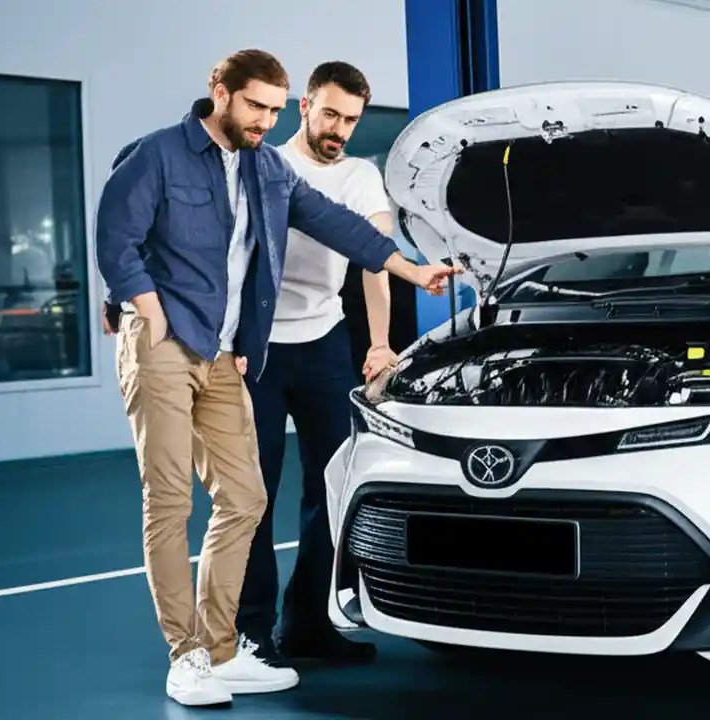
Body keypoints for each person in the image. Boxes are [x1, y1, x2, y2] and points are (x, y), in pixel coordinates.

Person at [95, 48, 458, 708]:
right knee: (169, 503)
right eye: (255, 105)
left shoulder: (266, 168)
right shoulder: (158, 154)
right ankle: (187, 655)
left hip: (224, 353)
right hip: (163, 345)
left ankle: (224, 649)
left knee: (246, 498)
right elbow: (116, 238)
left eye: (271, 108)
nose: (264, 120)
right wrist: (146, 311)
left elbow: (340, 226)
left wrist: (412, 270)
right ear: (221, 92)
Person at [228, 60, 393, 666]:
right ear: (304, 107)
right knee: (255, 492)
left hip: (325, 342)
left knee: (334, 486)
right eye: (329, 114)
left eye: (350, 120)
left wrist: (379, 343)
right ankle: (250, 630)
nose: (338, 129)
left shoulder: (361, 176)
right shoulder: (266, 166)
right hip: (259, 349)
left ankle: (308, 623)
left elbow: (377, 257)